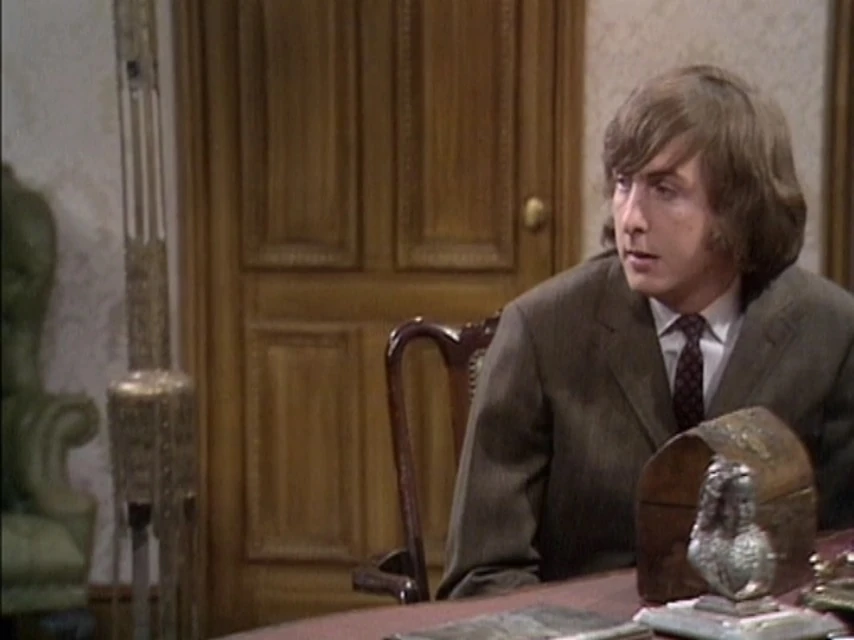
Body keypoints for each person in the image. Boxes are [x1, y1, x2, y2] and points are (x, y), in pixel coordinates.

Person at [437, 64, 854, 600]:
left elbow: (841, 559)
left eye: (665, 189)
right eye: (622, 183)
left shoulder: (830, 334)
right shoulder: (542, 331)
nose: (631, 218)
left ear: (739, 206)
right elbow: (481, 575)